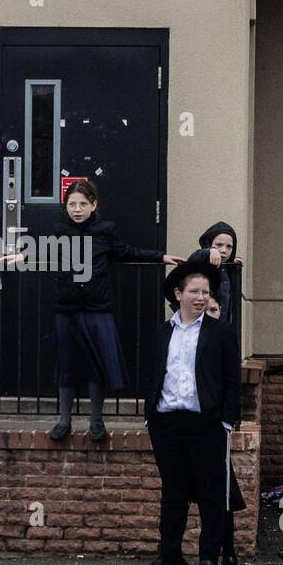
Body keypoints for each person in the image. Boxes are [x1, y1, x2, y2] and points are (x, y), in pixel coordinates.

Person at [47, 180, 183, 442]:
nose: (77, 209)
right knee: (67, 363)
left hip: (97, 308)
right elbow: (44, 253)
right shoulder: (59, 230)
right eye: (72, 204)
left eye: (83, 204)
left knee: (97, 366)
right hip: (67, 308)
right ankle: (64, 420)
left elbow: (125, 252)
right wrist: (20, 255)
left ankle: (96, 421)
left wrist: (160, 257)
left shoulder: (105, 230)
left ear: (94, 205)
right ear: (66, 207)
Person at [134, 260, 240, 565]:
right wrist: (151, 418)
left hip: (206, 423)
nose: (201, 297)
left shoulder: (220, 332)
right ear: (178, 294)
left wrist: (227, 422)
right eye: (194, 291)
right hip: (167, 423)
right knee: (173, 493)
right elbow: (154, 374)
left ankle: (208, 557)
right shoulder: (162, 332)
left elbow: (231, 380)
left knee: (211, 492)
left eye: (205, 293)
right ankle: (169, 557)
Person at [204, 296, 247, 565]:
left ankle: (227, 550)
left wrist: (229, 419)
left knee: (224, 488)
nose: (211, 314)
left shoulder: (224, 336)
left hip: (216, 422)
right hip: (189, 421)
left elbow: (233, 380)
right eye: (207, 309)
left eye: (215, 309)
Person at [188, 221, 243, 340]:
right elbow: (192, 260)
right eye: (219, 245)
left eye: (229, 247)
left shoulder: (228, 266)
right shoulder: (202, 260)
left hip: (223, 324)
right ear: (209, 244)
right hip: (199, 326)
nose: (224, 250)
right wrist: (208, 252)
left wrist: (235, 268)